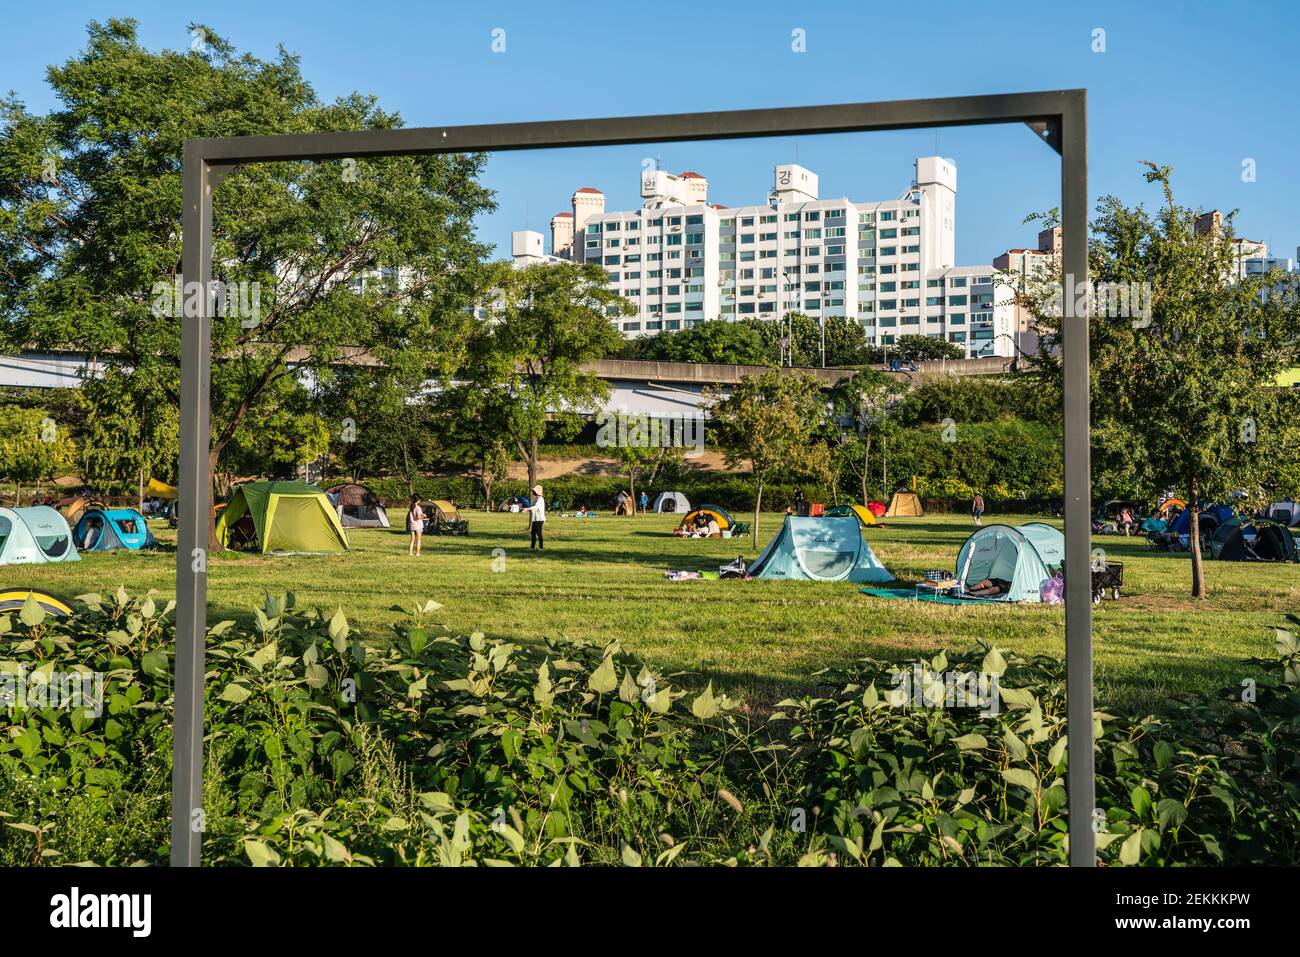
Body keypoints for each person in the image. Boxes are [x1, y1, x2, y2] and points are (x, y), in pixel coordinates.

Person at [525, 484, 546, 550]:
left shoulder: (540, 499)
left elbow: (536, 507)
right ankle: (532, 547)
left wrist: (527, 509)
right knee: (533, 533)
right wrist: (529, 510)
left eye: (534, 491)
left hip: (539, 519)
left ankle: (541, 547)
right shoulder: (537, 499)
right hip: (535, 519)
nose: (533, 492)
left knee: (539, 533)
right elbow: (535, 509)